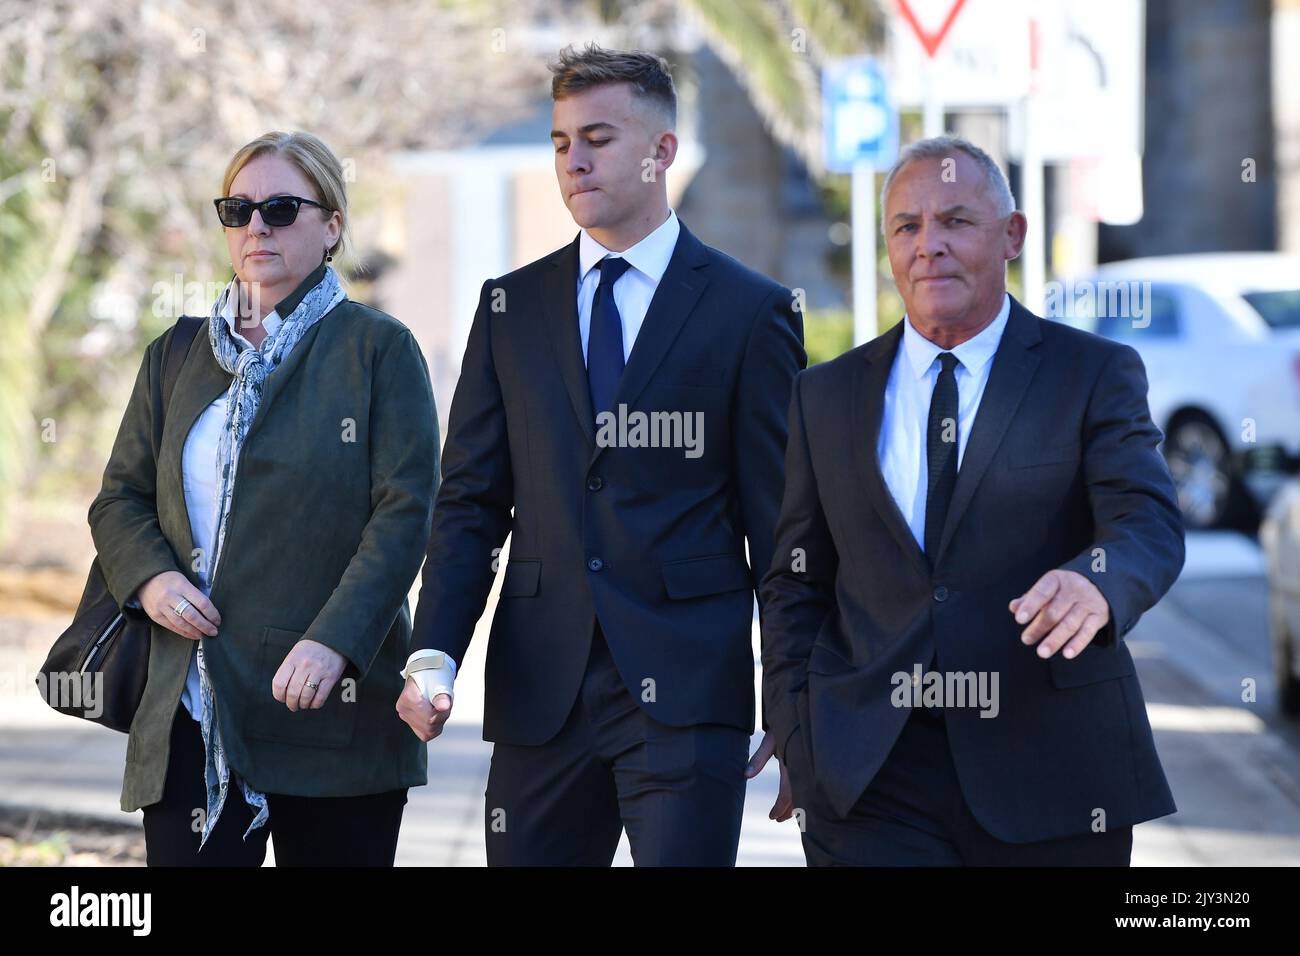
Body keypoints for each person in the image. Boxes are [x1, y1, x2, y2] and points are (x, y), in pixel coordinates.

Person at [395, 44, 805, 866]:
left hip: (686, 697)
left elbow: (784, 532)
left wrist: (795, 706)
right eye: (559, 142)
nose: (573, 160)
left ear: (663, 152)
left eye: (599, 138)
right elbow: (472, 501)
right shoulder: (510, 307)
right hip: (541, 692)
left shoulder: (749, 312)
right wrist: (435, 651)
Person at [760, 135, 1184, 866]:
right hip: (871, 778)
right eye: (907, 226)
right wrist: (799, 731)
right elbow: (797, 579)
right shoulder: (824, 396)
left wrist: (1098, 580)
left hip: (1051, 765)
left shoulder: (1092, 373)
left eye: (956, 221)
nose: (930, 246)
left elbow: (1145, 520)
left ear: (1011, 235)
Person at [89, 130, 438, 866]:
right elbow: (120, 497)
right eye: (238, 208)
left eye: (281, 208)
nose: (256, 227)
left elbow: (405, 513)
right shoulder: (177, 355)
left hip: (328, 712)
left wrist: (334, 641)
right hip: (191, 707)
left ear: (332, 225)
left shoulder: (378, 349)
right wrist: (150, 578)